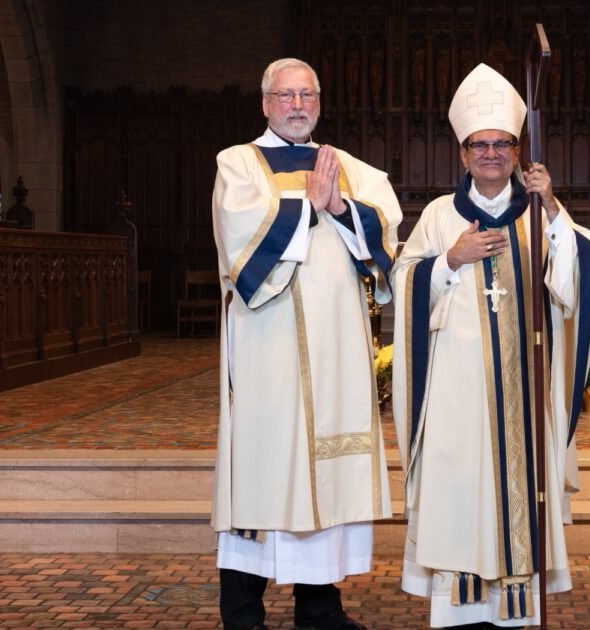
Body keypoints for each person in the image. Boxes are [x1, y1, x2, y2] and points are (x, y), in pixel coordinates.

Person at [391, 63, 590, 629]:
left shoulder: (540, 212)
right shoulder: (440, 215)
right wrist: (449, 260)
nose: (490, 154)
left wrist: (554, 209)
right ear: (462, 154)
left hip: (525, 393)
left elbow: (579, 278)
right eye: (479, 145)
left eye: (501, 144)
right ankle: (459, 613)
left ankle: (515, 612)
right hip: (456, 394)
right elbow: (403, 284)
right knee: (461, 489)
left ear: (517, 151)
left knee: (518, 488)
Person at [210, 57, 401, 630]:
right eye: (286, 96)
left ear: (319, 103)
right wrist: (307, 206)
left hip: (336, 350)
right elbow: (238, 234)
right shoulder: (239, 164)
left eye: (308, 96)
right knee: (263, 468)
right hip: (267, 347)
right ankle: (242, 613)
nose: (297, 106)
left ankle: (320, 610)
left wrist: (341, 205)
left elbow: (385, 240)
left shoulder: (349, 169)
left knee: (325, 473)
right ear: (266, 104)